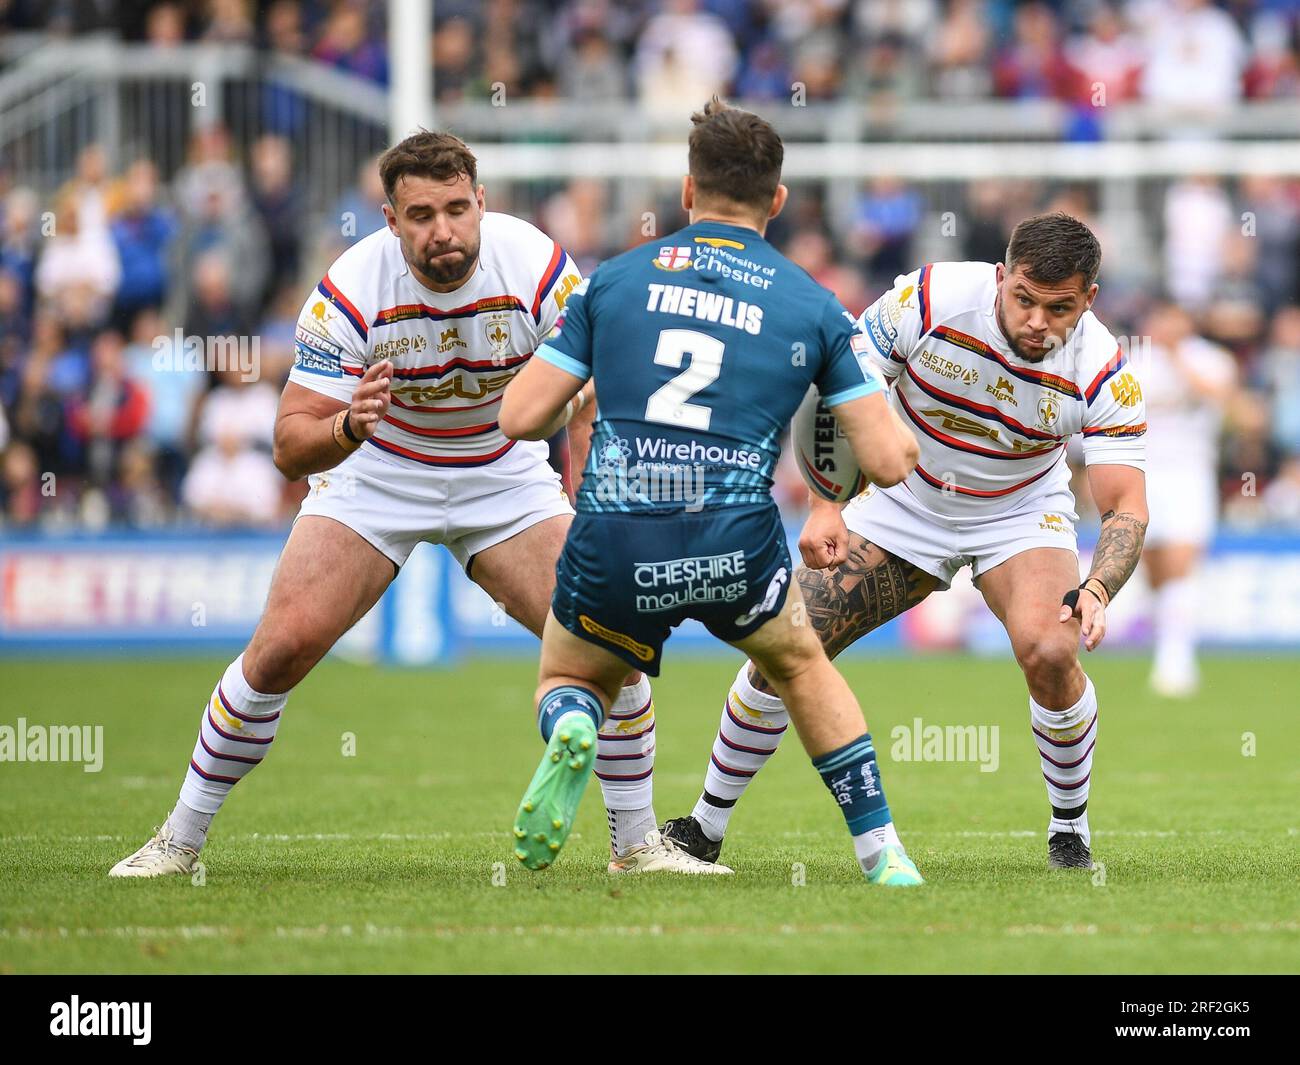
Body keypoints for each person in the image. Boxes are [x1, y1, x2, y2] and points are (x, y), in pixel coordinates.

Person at [109, 131, 690, 878]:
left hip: (502, 473)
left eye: (456, 209)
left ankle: (636, 847)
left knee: (609, 637)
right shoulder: (353, 284)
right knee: (280, 649)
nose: (442, 230)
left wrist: (590, 516)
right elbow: (289, 443)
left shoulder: (540, 265)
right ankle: (178, 841)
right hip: (378, 471)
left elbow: (588, 395)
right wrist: (350, 424)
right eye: (421, 215)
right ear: (389, 218)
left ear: (481, 203)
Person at [497, 98, 925, 887]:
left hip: (618, 531)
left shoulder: (611, 283)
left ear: (687, 194)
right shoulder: (813, 305)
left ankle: (574, 724)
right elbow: (892, 462)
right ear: (779, 201)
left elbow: (519, 416)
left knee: (570, 676)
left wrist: (598, 390)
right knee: (799, 666)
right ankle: (883, 854)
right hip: (734, 536)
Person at [664, 212, 1149, 871]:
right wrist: (828, 506)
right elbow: (841, 391)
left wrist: (1097, 586)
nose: (1037, 320)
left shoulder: (1104, 371)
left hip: (1019, 511)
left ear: (1089, 300)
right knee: (787, 642)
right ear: (1001, 277)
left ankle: (1070, 831)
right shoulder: (928, 299)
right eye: (1024, 299)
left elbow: (1125, 507)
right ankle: (703, 826)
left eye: (1058, 308)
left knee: (1048, 648)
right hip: (902, 494)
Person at [1140, 303, 1237, 697]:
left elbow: (1221, 398)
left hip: (1190, 473)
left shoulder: (1212, 359)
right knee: (1153, 569)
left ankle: (1175, 661)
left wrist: (1177, 356)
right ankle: (1168, 648)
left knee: (1183, 559)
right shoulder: (1133, 361)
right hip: (1143, 473)